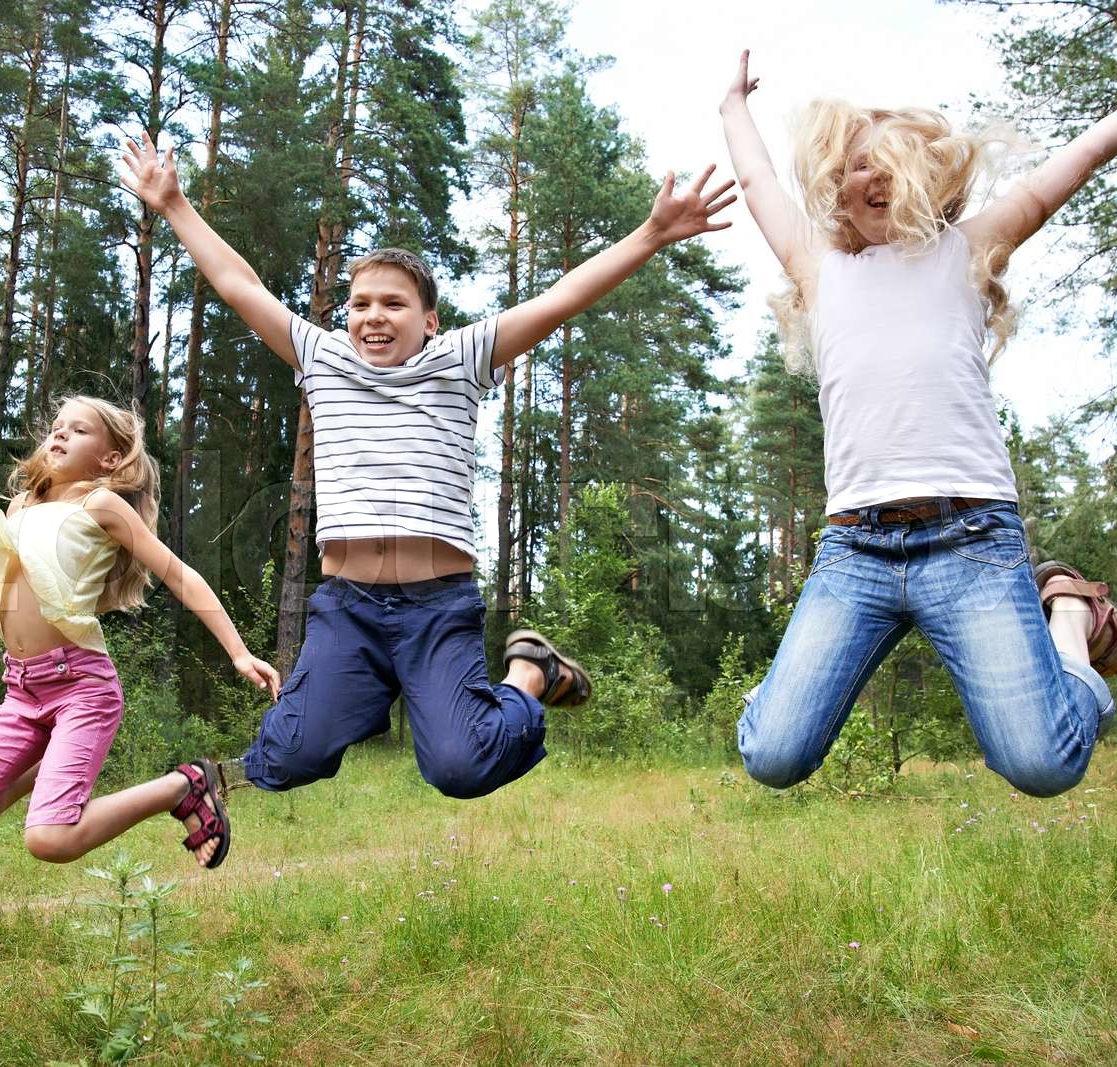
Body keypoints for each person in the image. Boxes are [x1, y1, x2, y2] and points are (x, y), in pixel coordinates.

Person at [121, 132, 734, 861]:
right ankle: (255, 763)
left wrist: (653, 233)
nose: (372, 316)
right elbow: (238, 285)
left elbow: (562, 297)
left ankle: (530, 673)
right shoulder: (322, 357)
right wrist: (176, 203)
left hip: (434, 606)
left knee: (459, 766)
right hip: (347, 608)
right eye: (358, 304)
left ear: (430, 318)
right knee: (288, 756)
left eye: (393, 303)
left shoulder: (460, 360)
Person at [721, 50, 1117, 796]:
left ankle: (1069, 617)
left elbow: (1072, 166)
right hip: (856, 551)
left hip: (971, 541)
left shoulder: (965, 252)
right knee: (771, 755)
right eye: (859, 166)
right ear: (838, 185)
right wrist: (732, 105)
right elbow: (758, 181)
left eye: (894, 166)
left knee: (1042, 763)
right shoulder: (819, 269)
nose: (876, 179)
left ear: (927, 181)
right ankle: (784, 702)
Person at [0, 395, 280, 868]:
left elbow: (180, 575)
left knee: (49, 840)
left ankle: (184, 786)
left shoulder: (101, 504)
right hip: (21, 690)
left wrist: (239, 653)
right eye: (57, 426)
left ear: (111, 459)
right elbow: (27, 549)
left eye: (78, 430)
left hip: (80, 687)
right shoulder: (21, 505)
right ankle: (49, 765)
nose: (60, 433)